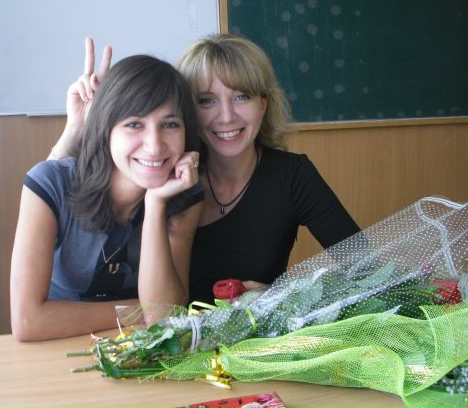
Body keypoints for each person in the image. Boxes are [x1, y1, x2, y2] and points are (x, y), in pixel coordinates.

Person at [49, 35, 359, 305]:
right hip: (170, 340)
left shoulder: (293, 176)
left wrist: (284, 296)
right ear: (186, 110)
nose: (226, 116)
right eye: (207, 101)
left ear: (263, 104)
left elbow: (366, 269)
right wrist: (77, 129)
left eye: (241, 97)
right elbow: (61, 197)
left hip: (256, 343)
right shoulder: (160, 169)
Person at [10, 53, 203, 341]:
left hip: (136, 349)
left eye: (170, 124)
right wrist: (141, 310)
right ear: (106, 129)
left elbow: (164, 318)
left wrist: (155, 204)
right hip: (56, 345)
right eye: (134, 124)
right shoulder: (49, 184)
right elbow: (28, 322)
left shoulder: (183, 193)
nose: (154, 146)